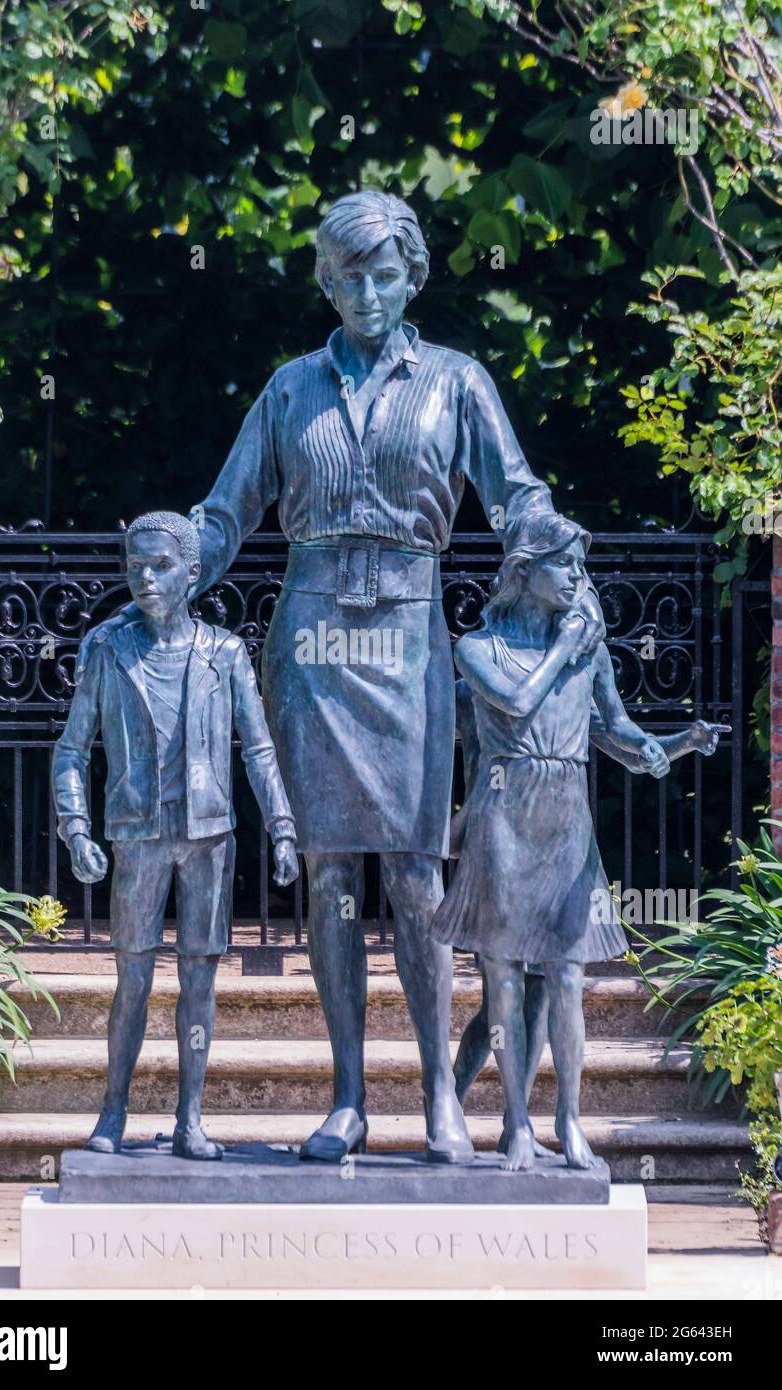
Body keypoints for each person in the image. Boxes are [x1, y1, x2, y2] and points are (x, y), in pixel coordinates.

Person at [76, 191, 598, 1164]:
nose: (365, 290)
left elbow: (517, 496)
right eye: (347, 275)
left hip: (406, 642)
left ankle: (441, 1095)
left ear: (412, 279)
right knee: (325, 876)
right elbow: (226, 516)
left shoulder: (456, 384)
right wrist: (165, 565)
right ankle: (349, 1095)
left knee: (410, 871)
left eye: (383, 273)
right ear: (325, 280)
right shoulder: (288, 391)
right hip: (310, 643)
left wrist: (555, 555)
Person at [432, 512, 718, 1171]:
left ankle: (568, 1119)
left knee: (566, 978)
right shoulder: (479, 650)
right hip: (503, 822)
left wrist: (670, 745)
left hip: (566, 824)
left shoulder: (587, 654)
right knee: (501, 978)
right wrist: (564, 648)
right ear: (525, 571)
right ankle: (515, 1123)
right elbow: (516, 705)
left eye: (583, 567)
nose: (578, 579)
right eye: (566, 565)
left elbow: (618, 733)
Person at [53, 511, 298, 1159]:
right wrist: (76, 828)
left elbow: (259, 748)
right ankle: (113, 1111)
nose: (145, 578)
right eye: (134, 566)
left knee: (198, 982)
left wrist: (281, 825)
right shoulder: (109, 650)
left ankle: (191, 1118)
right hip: (137, 837)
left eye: (160, 566)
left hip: (209, 837)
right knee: (131, 981)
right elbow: (71, 750)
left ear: (192, 574)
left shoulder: (224, 653)